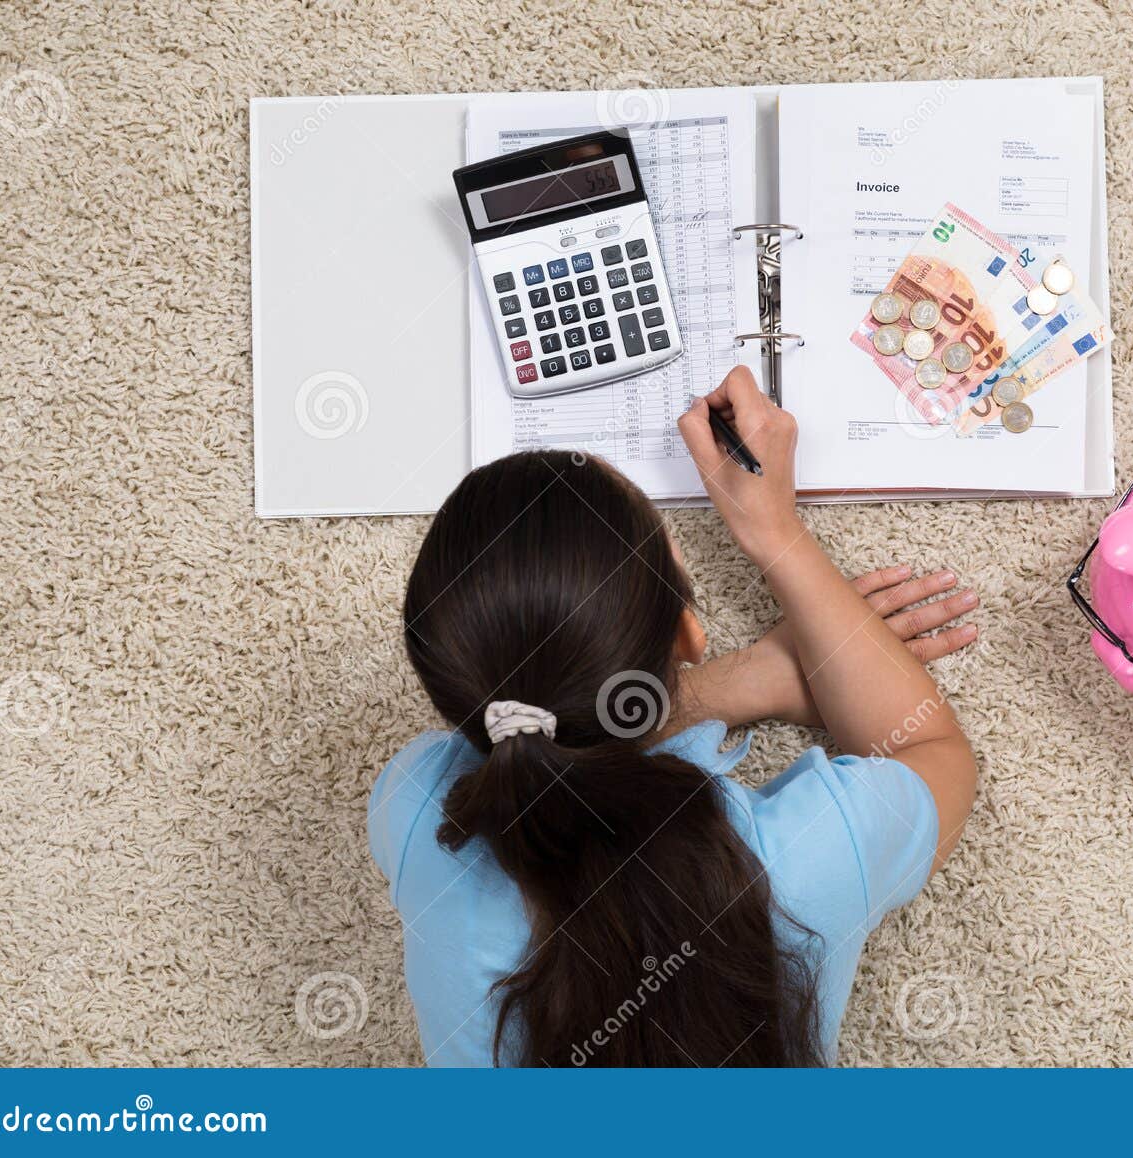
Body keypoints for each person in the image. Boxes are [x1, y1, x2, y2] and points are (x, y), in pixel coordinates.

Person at [369, 366, 979, 1066]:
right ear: (690, 633)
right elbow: (935, 749)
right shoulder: (805, 860)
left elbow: (552, 730)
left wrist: (733, 683)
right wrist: (776, 535)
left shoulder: (418, 809)